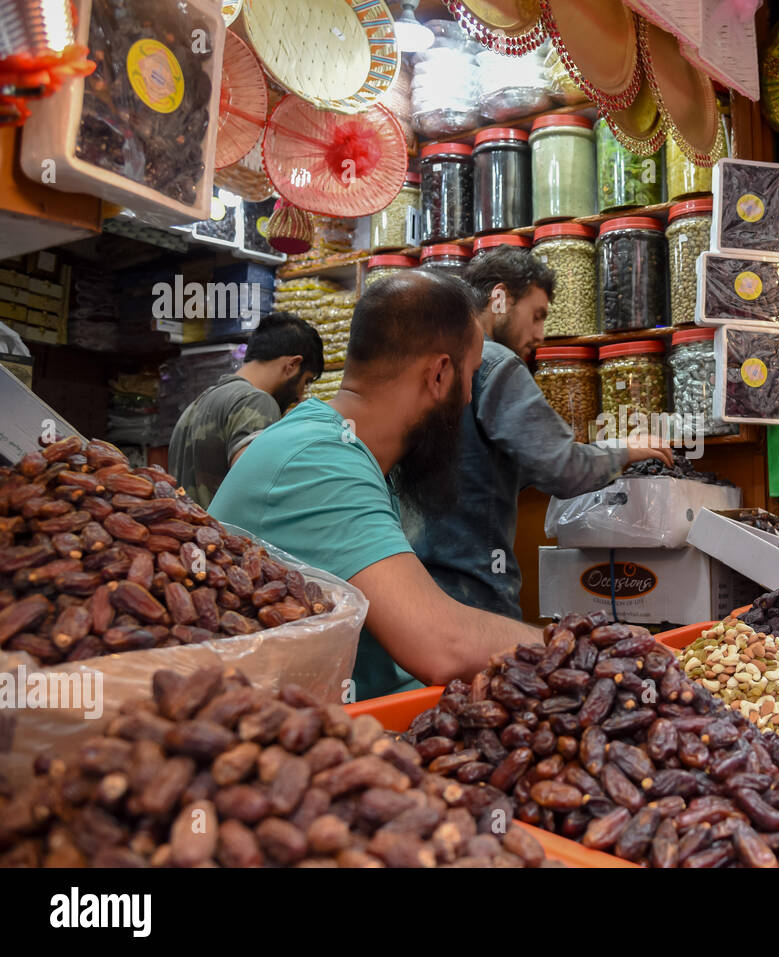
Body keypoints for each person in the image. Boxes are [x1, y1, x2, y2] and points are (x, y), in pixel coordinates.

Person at [208, 271, 538, 701]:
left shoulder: (338, 445)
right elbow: (440, 642)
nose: (467, 401)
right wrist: (577, 643)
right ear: (439, 374)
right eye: (469, 377)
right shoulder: (319, 458)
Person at [402, 247, 672, 619]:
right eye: (537, 316)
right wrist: (623, 450)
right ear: (499, 297)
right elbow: (562, 468)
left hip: (411, 580)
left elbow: (479, 467)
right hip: (475, 586)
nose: (541, 335)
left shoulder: (426, 360)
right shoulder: (497, 363)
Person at [168, 312, 323, 507]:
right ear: (292, 365)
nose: (301, 396)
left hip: (192, 535)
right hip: (224, 537)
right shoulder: (257, 401)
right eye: (306, 381)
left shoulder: (197, 405)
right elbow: (257, 489)